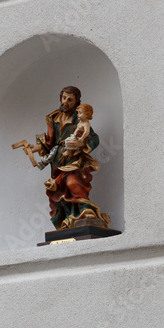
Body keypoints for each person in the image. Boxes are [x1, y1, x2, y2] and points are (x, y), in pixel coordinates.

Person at [30, 87, 110, 230]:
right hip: (57, 159)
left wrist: (81, 143)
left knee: (73, 182)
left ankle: (87, 211)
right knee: (58, 191)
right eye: (64, 98)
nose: (65, 102)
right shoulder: (54, 118)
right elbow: (50, 141)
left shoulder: (79, 118)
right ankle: (68, 220)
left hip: (73, 158)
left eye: (70, 99)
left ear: (76, 102)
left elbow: (94, 138)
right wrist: (38, 147)